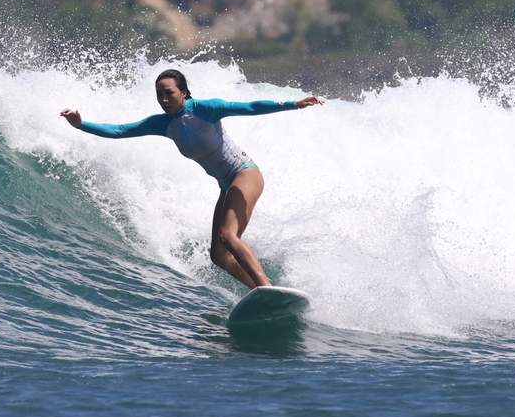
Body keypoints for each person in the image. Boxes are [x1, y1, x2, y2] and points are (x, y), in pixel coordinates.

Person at [61, 69, 322, 289]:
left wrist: (293, 104)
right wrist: (80, 124)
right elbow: (119, 130)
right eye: (159, 95)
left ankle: (266, 287)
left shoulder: (206, 109)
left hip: (245, 173)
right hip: (226, 184)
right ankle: (259, 291)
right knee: (218, 255)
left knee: (228, 236)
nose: (163, 99)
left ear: (184, 92)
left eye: (169, 93)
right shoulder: (163, 124)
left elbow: (250, 107)